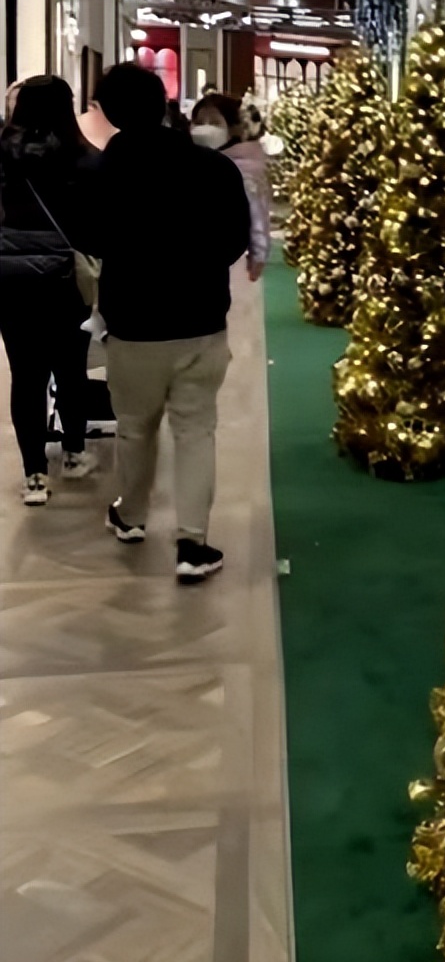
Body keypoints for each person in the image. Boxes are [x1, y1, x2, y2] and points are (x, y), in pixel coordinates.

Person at [85, 63, 250, 584]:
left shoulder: (102, 173)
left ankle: (131, 516)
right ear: (163, 105)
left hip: (132, 324)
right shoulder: (212, 168)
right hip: (201, 319)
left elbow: (90, 238)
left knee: (135, 428)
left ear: (110, 113)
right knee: (196, 430)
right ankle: (192, 543)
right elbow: (234, 239)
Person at [0, 75, 99, 505]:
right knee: (71, 368)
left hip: (11, 278)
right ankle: (74, 452)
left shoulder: (2, 155)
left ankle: (34, 475)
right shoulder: (83, 159)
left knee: (26, 375)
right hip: (66, 279)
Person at [190, 92, 271, 279]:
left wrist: (258, 253)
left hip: (235, 262)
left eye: (215, 123)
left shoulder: (245, 167)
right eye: (199, 122)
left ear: (232, 129)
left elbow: (257, 212)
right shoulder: (193, 161)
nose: (205, 128)